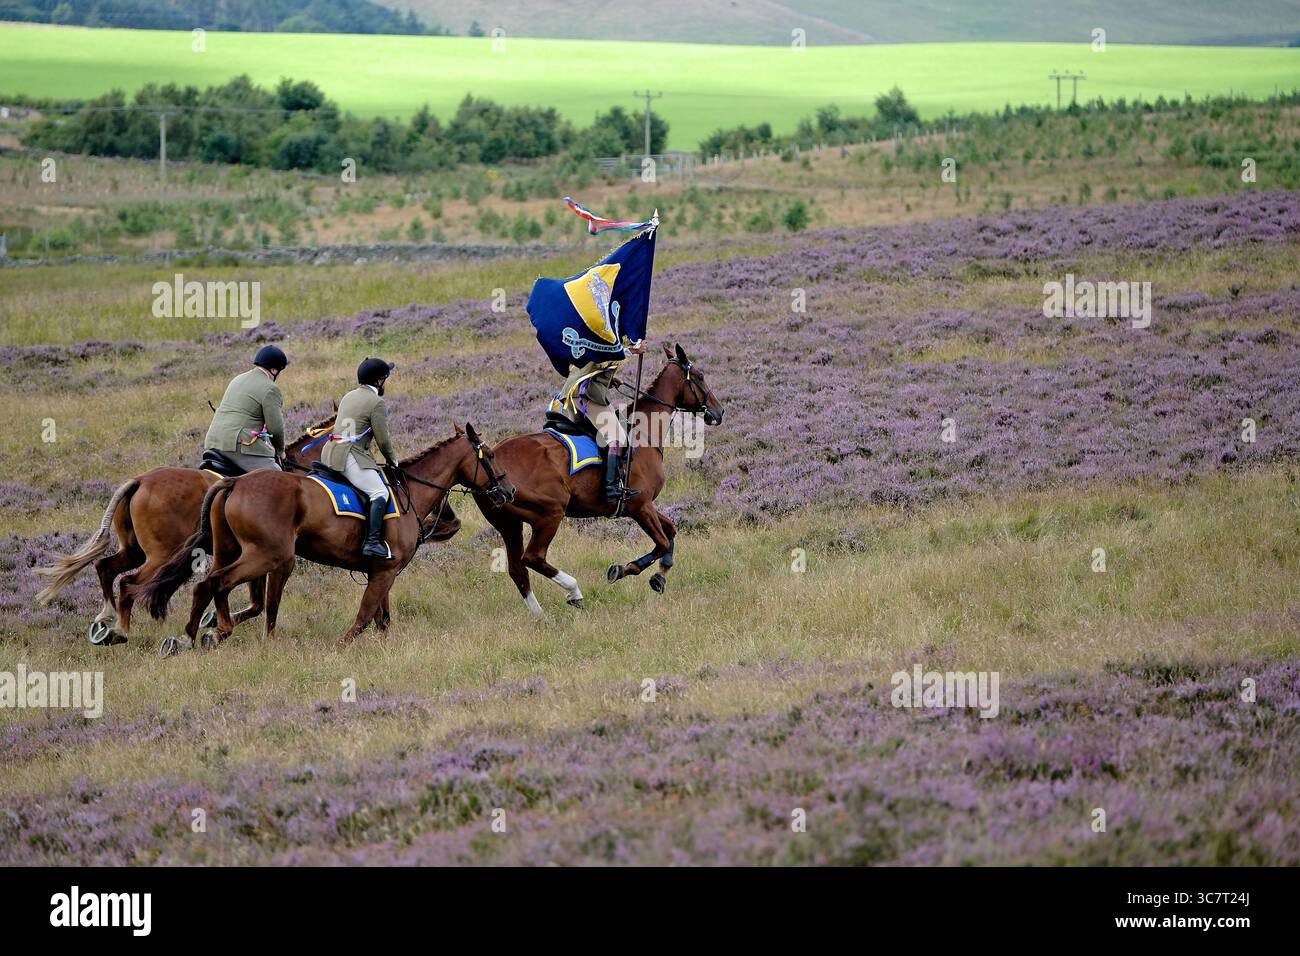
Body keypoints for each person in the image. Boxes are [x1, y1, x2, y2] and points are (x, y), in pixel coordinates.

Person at [550, 338, 646, 501]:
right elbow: (604, 354)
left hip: (572, 393)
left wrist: (608, 380)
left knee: (593, 437)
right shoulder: (608, 334)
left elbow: (592, 363)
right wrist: (633, 350)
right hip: (586, 395)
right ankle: (611, 488)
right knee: (617, 438)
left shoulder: (599, 330)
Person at [324, 357, 399, 559]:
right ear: (379, 381)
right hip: (349, 455)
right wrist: (393, 460)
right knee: (379, 493)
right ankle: (372, 543)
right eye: (385, 378)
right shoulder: (377, 402)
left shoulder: (349, 395)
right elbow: (383, 441)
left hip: (329, 452)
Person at [203, 346, 288, 472]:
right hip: (238, 445)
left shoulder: (238, 379)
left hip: (212, 441)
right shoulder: (271, 388)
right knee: (278, 478)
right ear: (274, 370)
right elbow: (275, 428)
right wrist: (281, 452)